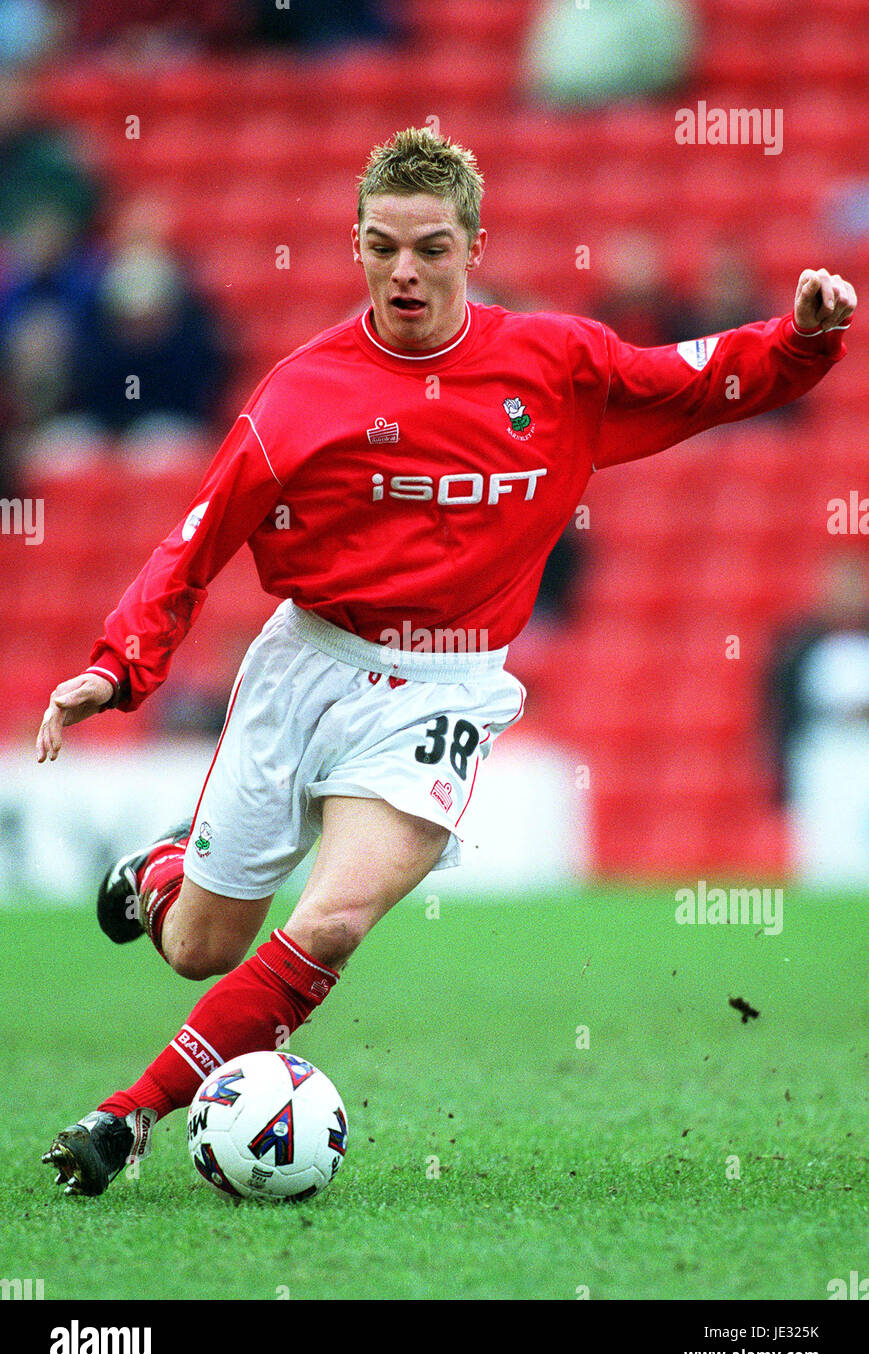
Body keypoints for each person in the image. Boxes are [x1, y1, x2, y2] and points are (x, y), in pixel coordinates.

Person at [36, 127, 856, 1196]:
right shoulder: (303, 394)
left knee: (328, 920)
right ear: (356, 246)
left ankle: (128, 1116)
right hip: (307, 668)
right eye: (380, 247)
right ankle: (161, 874)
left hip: (445, 688)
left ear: (473, 245)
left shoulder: (553, 364)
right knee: (198, 946)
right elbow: (196, 539)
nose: (403, 271)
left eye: (428, 247)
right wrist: (117, 665)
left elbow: (691, 381)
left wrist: (797, 340)